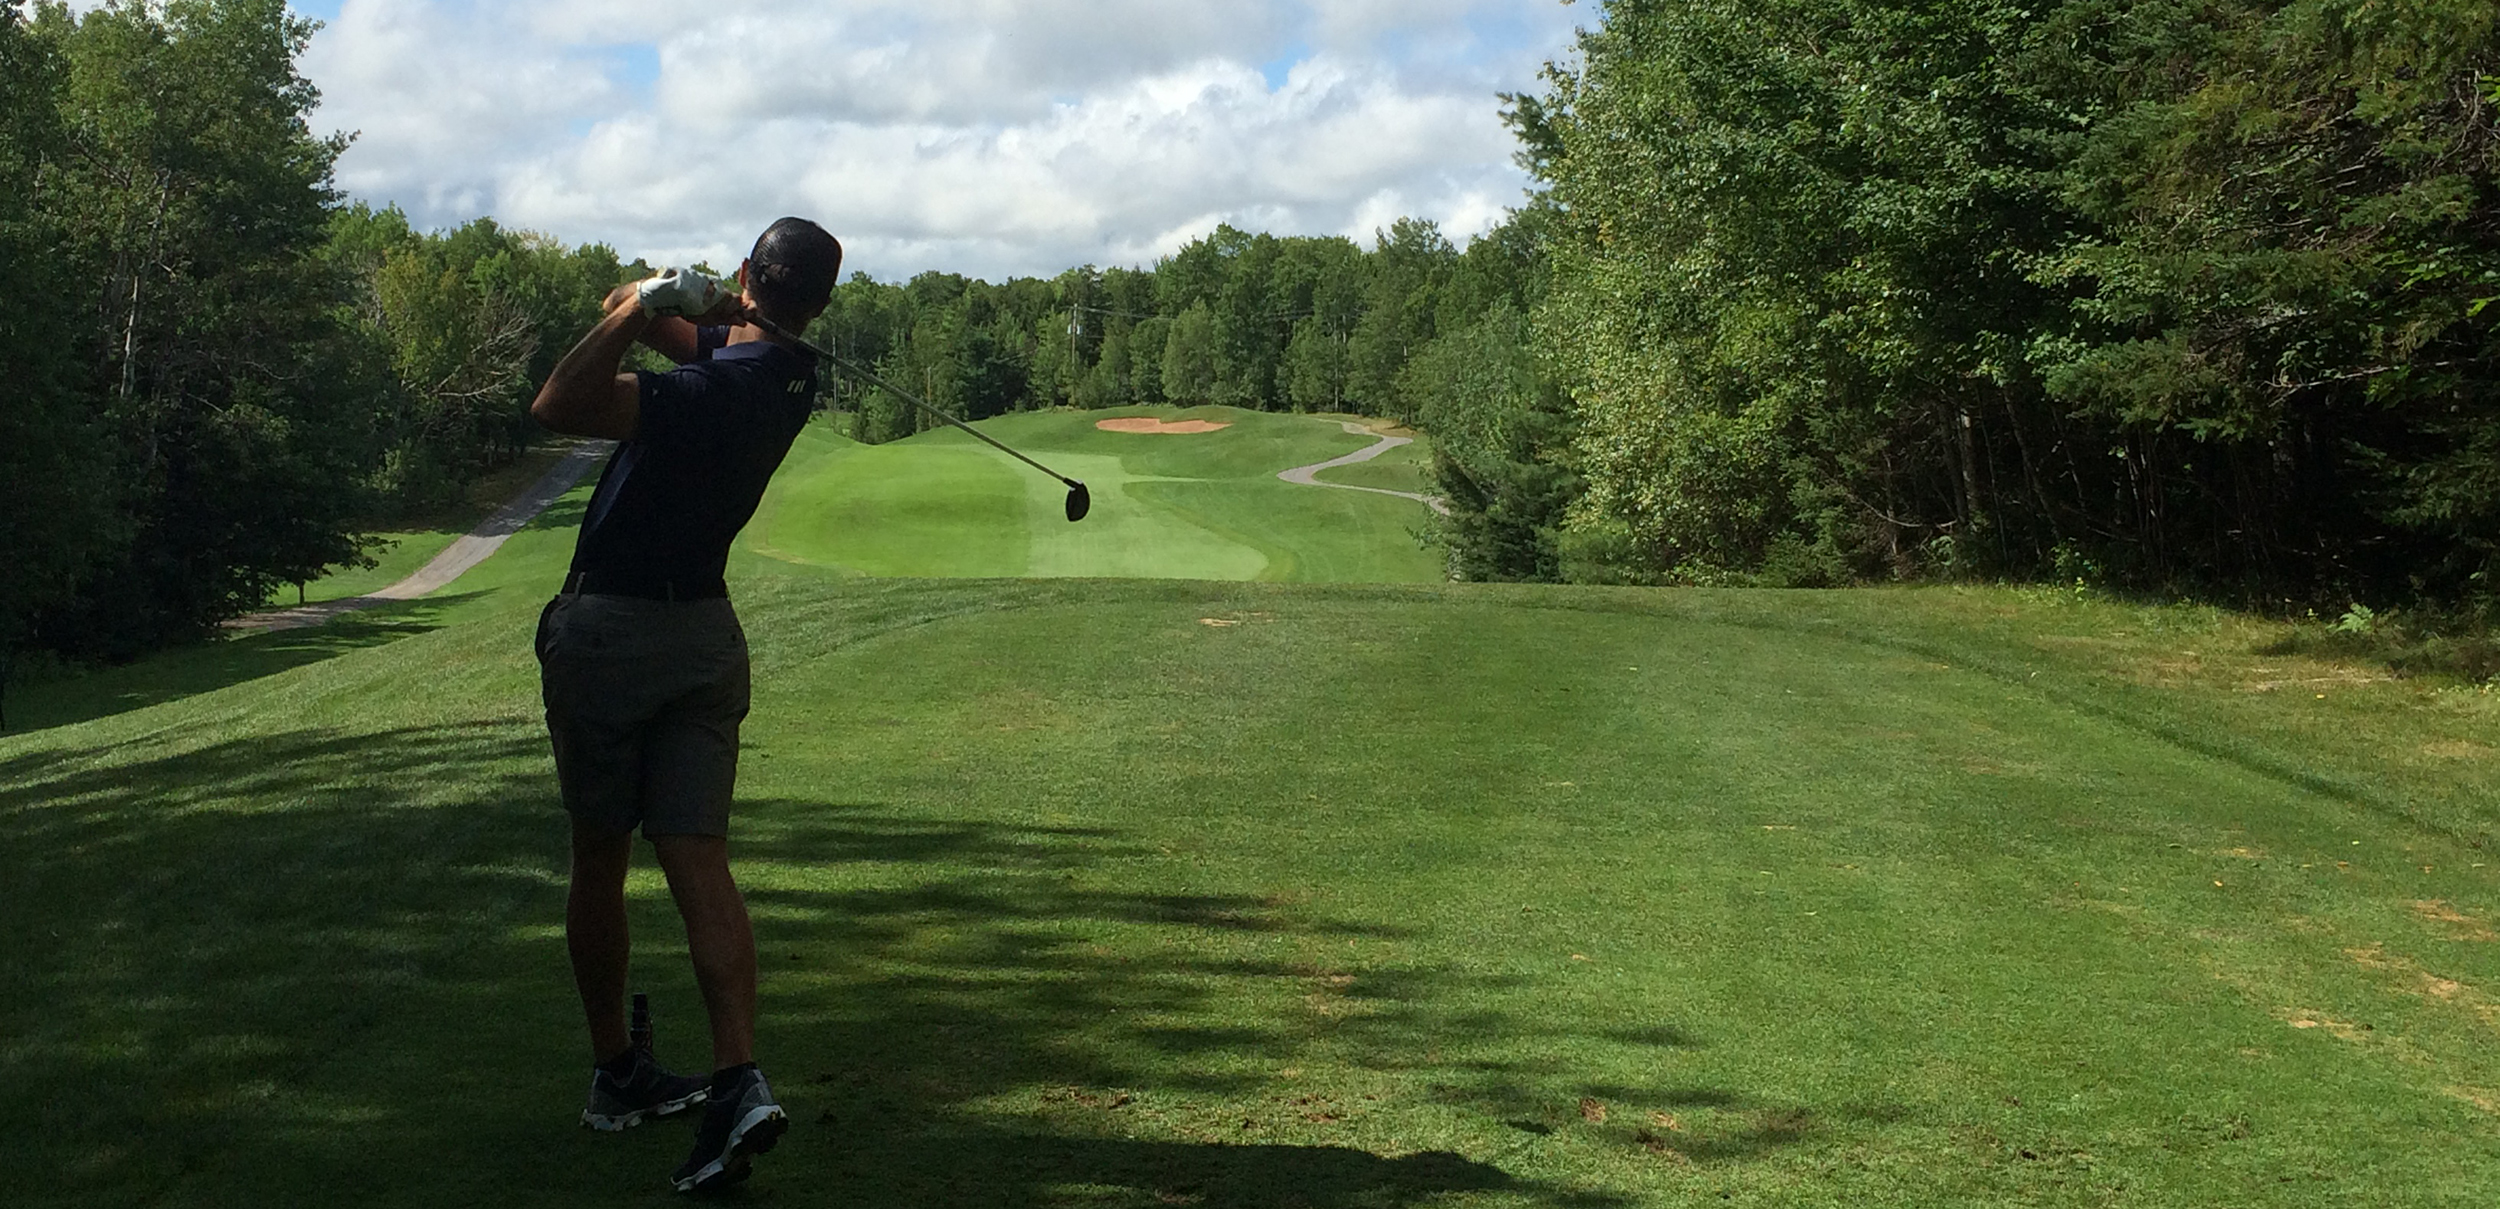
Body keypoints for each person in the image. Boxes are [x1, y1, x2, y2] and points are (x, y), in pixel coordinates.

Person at [528, 217, 843, 1194]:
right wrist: (680, 296)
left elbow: (558, 404)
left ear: (755, 272)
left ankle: (617, 1072)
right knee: (698, 857)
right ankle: (737, 1077)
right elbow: (660, 316)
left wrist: (643, 307)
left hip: (613, 633)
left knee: (599, 855)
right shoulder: (789, 373)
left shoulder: (707, 393)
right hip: (706, 637)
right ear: (817, 304)